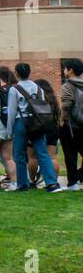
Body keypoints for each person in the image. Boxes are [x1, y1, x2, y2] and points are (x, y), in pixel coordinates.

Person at [6, 63, 61, 191]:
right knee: (42, 152)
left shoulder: (15, 89)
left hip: (21, 122)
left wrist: (9, 130)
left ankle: (22, 184)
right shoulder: (38, 88)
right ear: (29, 72)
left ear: (17, 73)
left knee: (19, 154)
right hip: (36, 122)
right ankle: (52, 183)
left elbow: (12, 111)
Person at [60, 58, 83, 190]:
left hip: (71, 126)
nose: (64, 71)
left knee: (70, 155)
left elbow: (66, 105)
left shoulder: (68, 86)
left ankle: (73, 183)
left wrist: (62, 120)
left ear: (71, 70)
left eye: (65, 68)